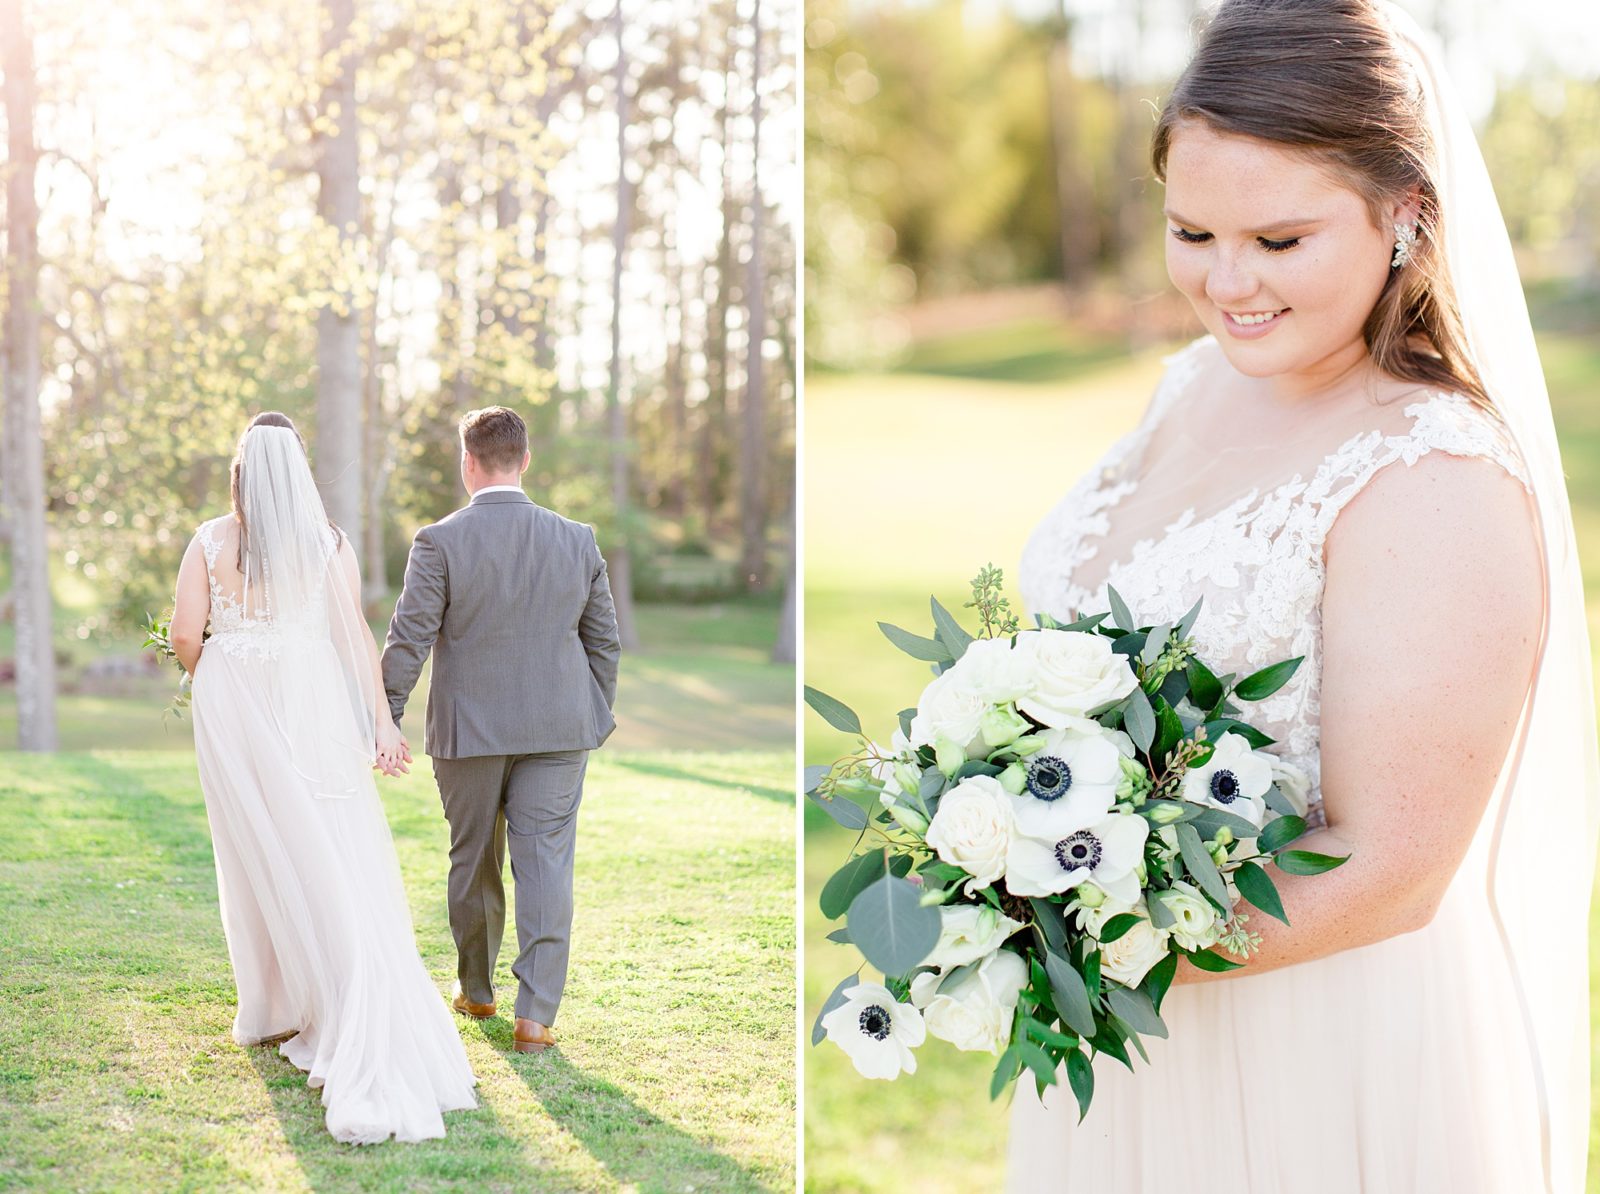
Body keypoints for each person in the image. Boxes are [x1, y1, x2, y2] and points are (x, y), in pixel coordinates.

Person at [1010, 1, 1598, 1190]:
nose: (1226, 283)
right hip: (1129, 1046)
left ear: (1405, 217)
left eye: (1278, 243)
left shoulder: (1433, 473)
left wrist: (1084, 940)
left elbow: (1393, 864)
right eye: (1190, 231)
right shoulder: (1188, 385)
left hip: (1320, 1052)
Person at [170, 411, 477, 1145]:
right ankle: (315, 996)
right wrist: (379, 719)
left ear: (241, 472)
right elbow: (353, 636)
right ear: (298, 472)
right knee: (326, 846)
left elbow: (186, 635)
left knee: (257, 850)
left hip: (234, 705)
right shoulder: (329, 543)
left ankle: (280, 1004)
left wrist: (219, 666)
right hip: (312, 705)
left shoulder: (211, 541)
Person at [381, 406, 621, 1057]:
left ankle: (478, 989)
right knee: (545, 863)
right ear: (525, 459)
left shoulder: (439, 541)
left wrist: (385, 714)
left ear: (469, 462)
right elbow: (604, 641)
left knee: (473, 860)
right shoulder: (577, 538)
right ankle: (535, 1016)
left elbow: (409, 639)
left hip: (470, 734)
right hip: (559, 729)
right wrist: (590, 712)